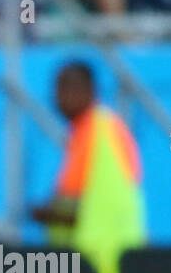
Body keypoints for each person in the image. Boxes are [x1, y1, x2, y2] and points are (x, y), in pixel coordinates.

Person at [30, 60, 145, 258]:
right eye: (57, 88)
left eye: (67, 87)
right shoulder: (93, 129)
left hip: (102, 255)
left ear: (90, 90)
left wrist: (46, 213)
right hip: (106, 254)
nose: (59, 97)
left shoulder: (97, 130)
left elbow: (78, 206)